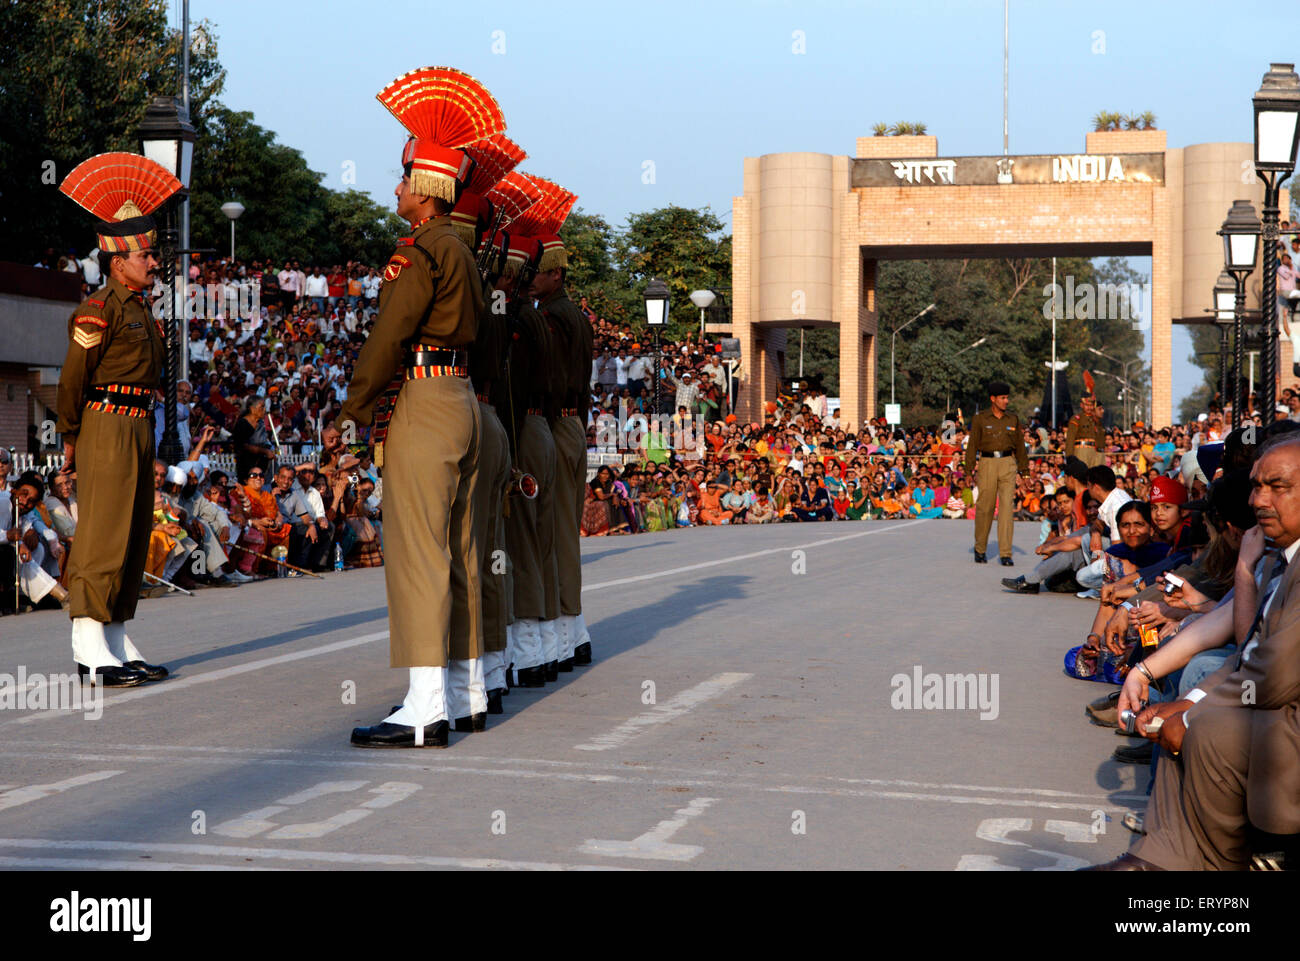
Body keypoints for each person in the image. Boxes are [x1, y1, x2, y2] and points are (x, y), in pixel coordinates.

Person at [341, 67, 496, 748]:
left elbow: (388, 339)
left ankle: (425, 704)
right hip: (460, 397)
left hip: (425, 400)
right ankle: (466, 691)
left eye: (404, 179)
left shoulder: (419, 255)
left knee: (418, 553)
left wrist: (351, 406)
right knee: (459, 551)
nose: (396, 190)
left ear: (427, 189)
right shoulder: (463, 254)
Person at [1085, 435, 1300, 870]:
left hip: (1282, 712)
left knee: (1206, 727)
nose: (1258, 500)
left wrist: (1192, 712)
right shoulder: (1282, 556)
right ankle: (1159, 857)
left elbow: (1271, 674)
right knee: (1180, 715)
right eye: (1257, 486)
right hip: (1270, 701)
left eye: (1277, 486)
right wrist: (1161, 688)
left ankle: (1222, 862)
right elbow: (1247, 656)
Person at [55, 151, 179, 686]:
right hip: (105, 423)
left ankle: (113, 637)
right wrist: (70, 438)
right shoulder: (97, 309)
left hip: (137, 424)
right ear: (118, 260)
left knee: (130, 537)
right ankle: (88, 643)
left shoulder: (141, 309)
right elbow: (71, 380)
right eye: (146, 256)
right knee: (102, 534)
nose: (154, 263)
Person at [532, 186, 596, 670]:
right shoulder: (575, 314)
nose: (530, 279)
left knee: (548, 536)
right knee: (564, 534)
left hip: (554, 424)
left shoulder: (551, 318)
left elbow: (550, 381)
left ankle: (556, 636)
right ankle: (574, 632)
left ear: (556, 273)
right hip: (574, 424)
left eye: (537, 271)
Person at [964, 380, 1029, 565]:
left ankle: (1006, 553)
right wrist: (968, 470)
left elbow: (1020, 447)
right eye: (1002, 398)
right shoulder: (980, 419)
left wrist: (1024, 473)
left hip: (1008, 463)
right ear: (993, 399)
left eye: (1007, 397)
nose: (1006, 401)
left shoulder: (1013, 419)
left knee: (1007, 508)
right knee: (986, 507)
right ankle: (980, 548)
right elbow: (972, 446)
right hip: (987, 463)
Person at [1064, 393, 1104, 467]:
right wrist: (1069, 457)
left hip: (1095, 452)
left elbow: (1101, 439)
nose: (1089, 408)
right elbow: (1070, 439)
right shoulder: (1076, 419)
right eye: (1087, 405)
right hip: (1081, 450)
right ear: (1081, 405)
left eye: (1091, 405)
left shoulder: (1096, 420)